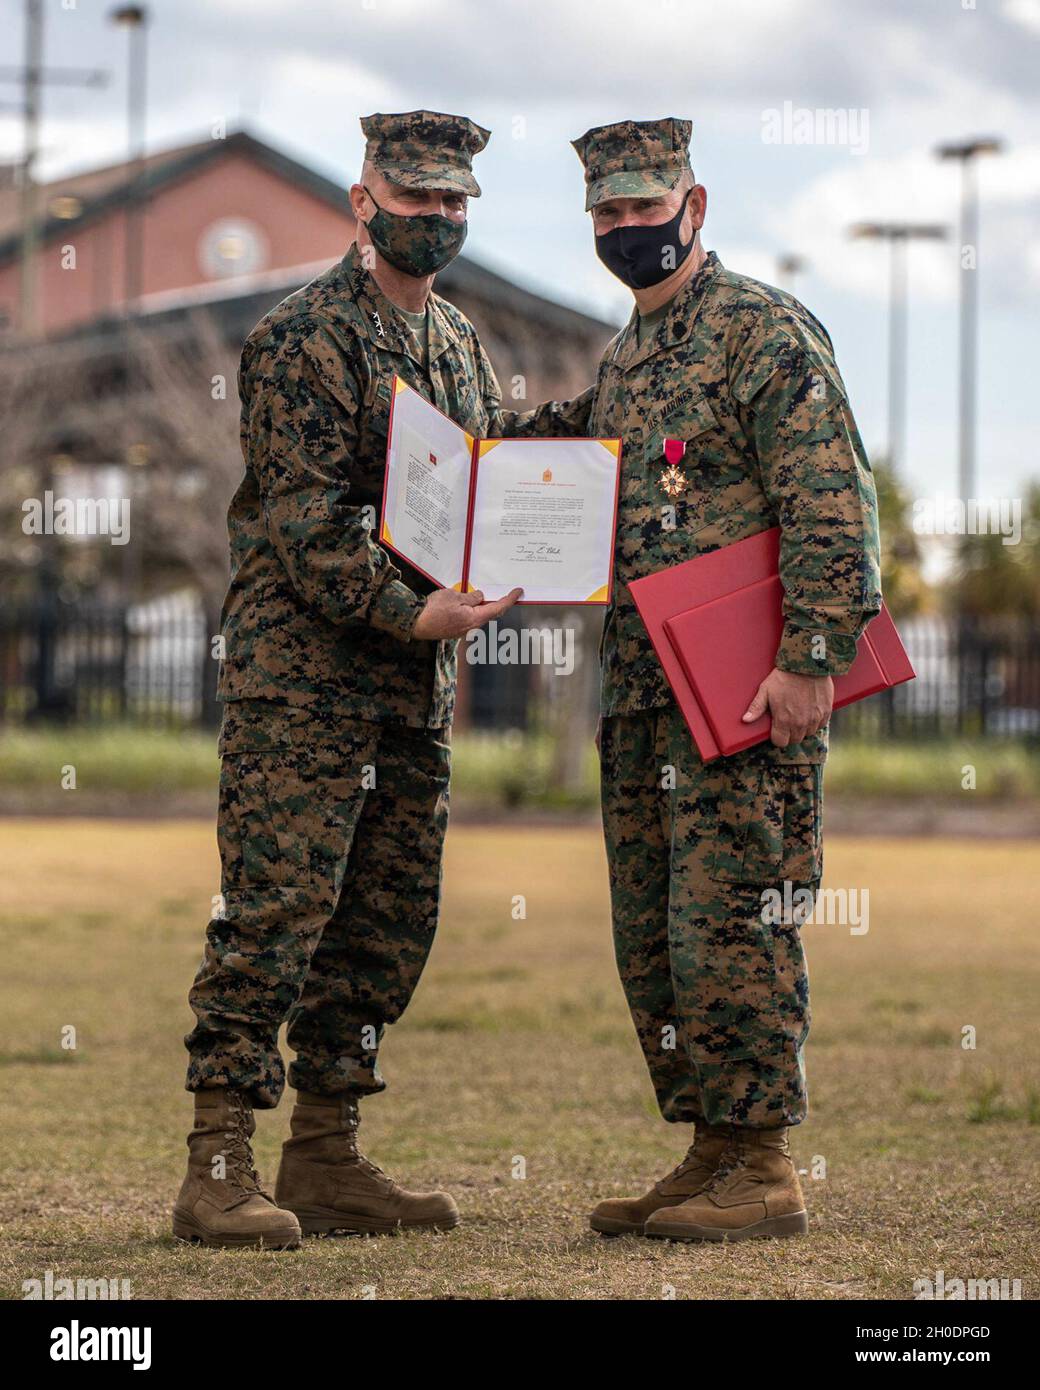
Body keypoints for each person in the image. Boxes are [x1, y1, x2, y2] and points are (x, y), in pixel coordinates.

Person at [174, 109, 565, 1249]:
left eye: (451, 203)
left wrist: (566, 489)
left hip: (410, 690)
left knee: (386, 921)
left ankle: (326, 1154)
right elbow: (302, 518)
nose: (433, 217)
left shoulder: (458, 342)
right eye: (414, 199)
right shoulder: (302, 337)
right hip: (305, 687)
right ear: (363, 201)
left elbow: (491, 481)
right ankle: (217, 1163)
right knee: (275, 913)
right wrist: (411, 607)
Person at [569, 118, 882, 1241]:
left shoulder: (759, 329)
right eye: (606, 211)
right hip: (647, 694)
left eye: (642, 207)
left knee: (736, 921)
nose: (624, 227)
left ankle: (760, 1163)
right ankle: (707, 1146)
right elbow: (581, 463)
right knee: (653, 933)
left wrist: (809, 657)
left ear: (691, 207)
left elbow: (827, 499)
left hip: (746, 693)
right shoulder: (628, 355)